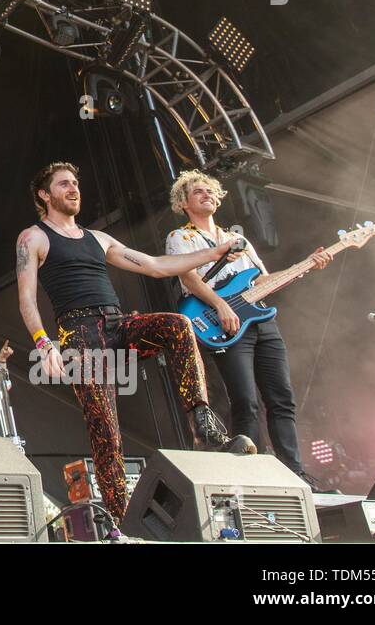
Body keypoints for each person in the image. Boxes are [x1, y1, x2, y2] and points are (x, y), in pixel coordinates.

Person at [15, 161, 256, 525]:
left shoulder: (99, 239)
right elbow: (27, 298)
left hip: (117, 323)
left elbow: (157, 265)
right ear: (44, 194)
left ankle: (204, 428)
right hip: (80, 336)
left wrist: (214, 253)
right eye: (64, 184)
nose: (73, 188)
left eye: (76, 183)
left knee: (176, 325)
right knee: (106, 433)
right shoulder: (33, 238)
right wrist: (43, 343)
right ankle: (124, 525)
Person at [164, 169, 331, 486]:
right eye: (198, 192)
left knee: (281, 398)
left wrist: (304, 266)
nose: (207, 195)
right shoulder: (180, 238)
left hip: (261, 322)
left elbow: (263, 280)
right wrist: (221, 305)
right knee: (245, 400)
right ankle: (252, 475)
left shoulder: (237, 240)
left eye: (210, 191)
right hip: (221, 322)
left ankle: (294, 473)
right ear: (183, 202)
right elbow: (189, 278)